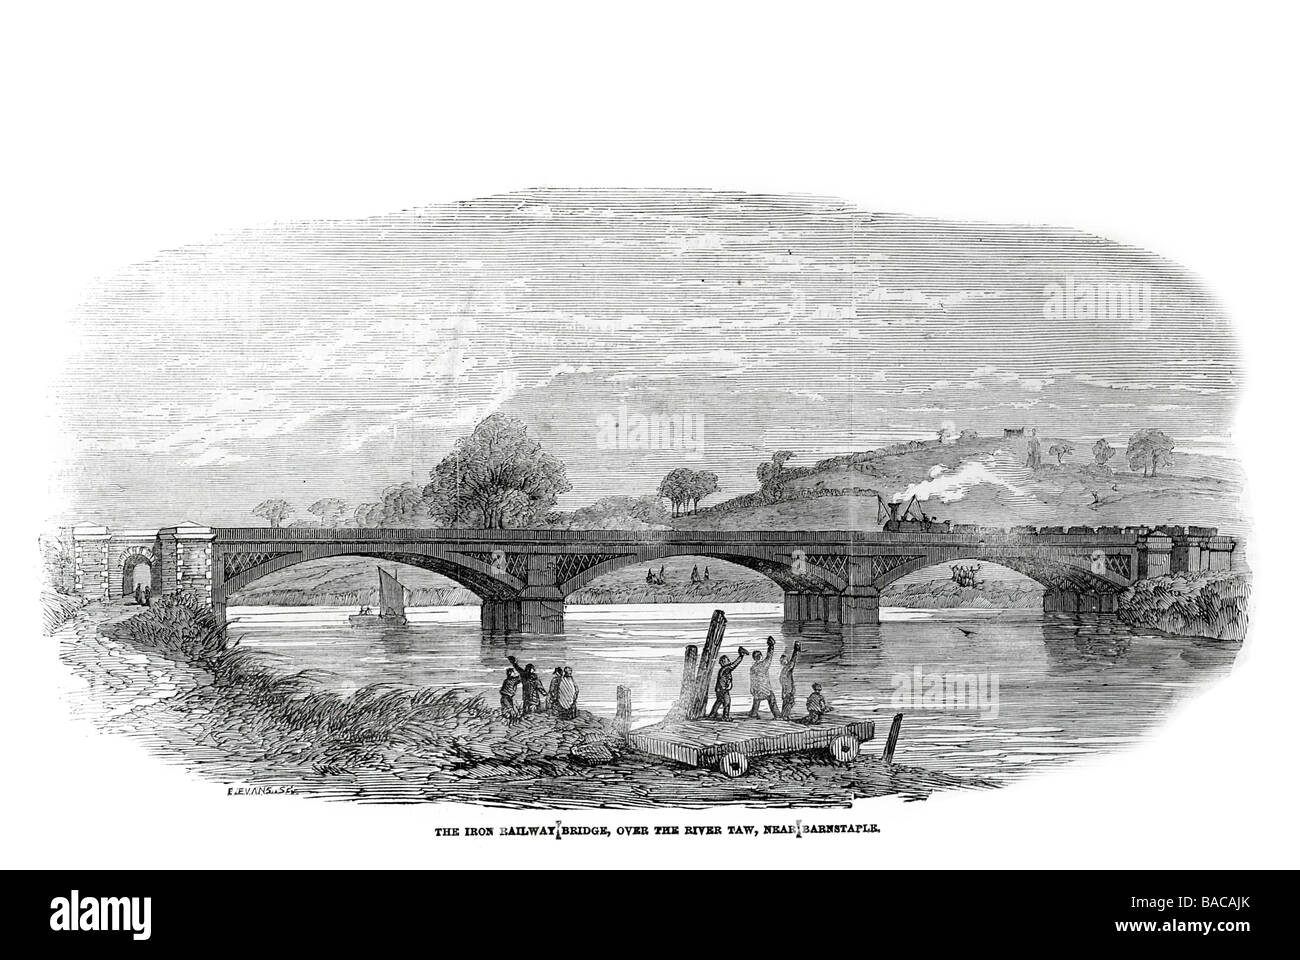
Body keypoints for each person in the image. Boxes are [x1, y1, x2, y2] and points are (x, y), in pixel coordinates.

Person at [706, 646, 749, 721]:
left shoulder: (724, 669)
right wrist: (741, 656)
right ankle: (725, 716)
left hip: (719, 689)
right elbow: (733, 665)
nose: (729, 661)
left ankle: (712, 714)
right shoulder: (726, 668)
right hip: (723, 690)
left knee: (719, 701)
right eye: (727, 660)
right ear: (723, 662)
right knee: (727, 702)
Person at [747, 636, 780, 719]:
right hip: (765, 689)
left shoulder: (752, 668)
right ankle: (777, 715)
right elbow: (769, 657)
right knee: (771, 698)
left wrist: (752, 689)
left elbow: (752, 680)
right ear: (760, 656)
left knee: (756, 700)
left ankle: (753, 714)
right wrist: (771, 646)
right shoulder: (764, 665)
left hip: (756, 689)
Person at [778, 641, 801, 719]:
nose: (783, 661)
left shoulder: (785, 669)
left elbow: (793, 661)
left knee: (788, 703)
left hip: (788, 690)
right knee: (789, 703)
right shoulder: (786, 669)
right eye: (782, 660)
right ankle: (785, 716)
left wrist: (796, 650)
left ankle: (785, 716)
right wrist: (796, 650)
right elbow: (793, 661)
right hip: (787, 690)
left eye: (784, 660)